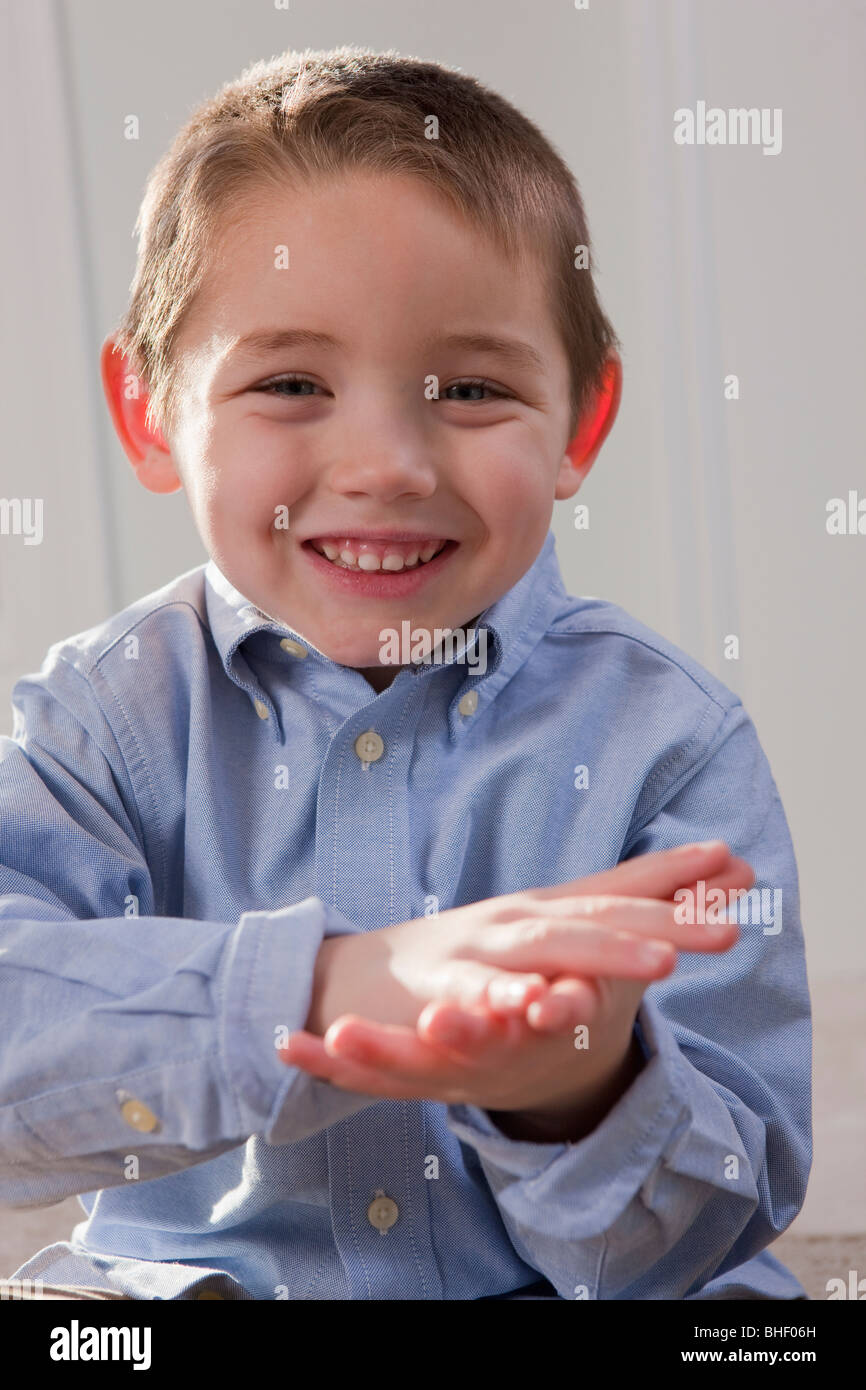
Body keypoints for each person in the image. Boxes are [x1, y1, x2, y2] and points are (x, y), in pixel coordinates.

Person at [0, 46, 810, 1300]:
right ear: (150, 411)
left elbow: (720, 1210)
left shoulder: (668, 738)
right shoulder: (104, 718)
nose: (385, 462)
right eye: (291, 383)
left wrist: (576, 1095)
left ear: (577, 427)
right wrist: (326, 987)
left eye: (471, 388)